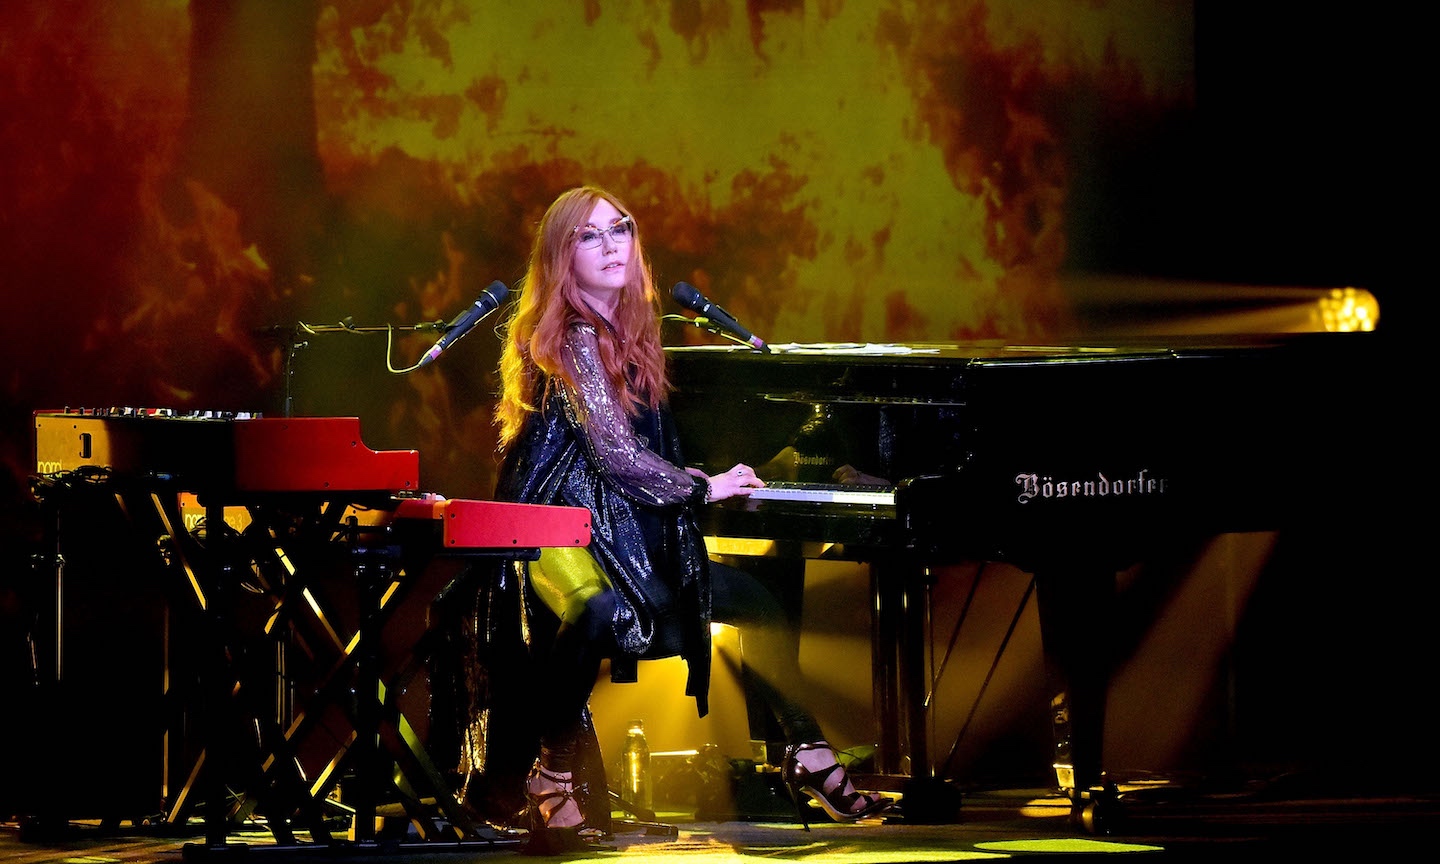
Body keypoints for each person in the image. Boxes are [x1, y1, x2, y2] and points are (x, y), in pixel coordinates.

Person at [491, 185, 892, 846]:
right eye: (589, 236)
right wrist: (704, 490)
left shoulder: (629, 335)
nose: (612, 245)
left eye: (619, 229)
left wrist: (691, 477)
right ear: (562, 257)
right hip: (552, 526)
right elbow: (616, 458)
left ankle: (808, 752)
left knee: (756, 601)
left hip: (617, 528)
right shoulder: (568, 334)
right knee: (593, 614)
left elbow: (633, 457)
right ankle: (551, 776)